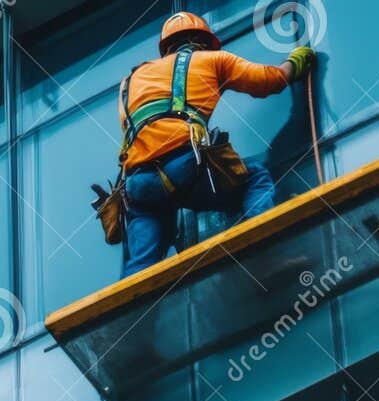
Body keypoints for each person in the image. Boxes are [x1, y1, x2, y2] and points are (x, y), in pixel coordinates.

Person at [119, 12, 316, 277]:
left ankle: (137, 316)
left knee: (142, 264)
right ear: (204, 42)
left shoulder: (130, 81)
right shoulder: (213, 59)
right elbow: (269, 82)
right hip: (184, 165)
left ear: (166, 48)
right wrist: (295, 62)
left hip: (138, 184)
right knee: (254, 178)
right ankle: (267, 260)